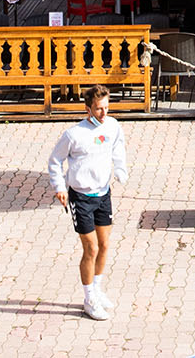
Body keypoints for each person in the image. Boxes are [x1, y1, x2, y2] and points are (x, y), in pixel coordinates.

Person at [48, 85, 129, 321]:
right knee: (91, 248)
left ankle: (97, 288)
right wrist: (60, 187)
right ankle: (88, 299)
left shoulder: (113, 126)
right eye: (98, 109)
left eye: (106, 108)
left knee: (104, 245)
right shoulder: (73, 135)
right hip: (81, 197)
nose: (103, 114)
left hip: (103, 194)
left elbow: (117, 148)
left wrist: (121, 170)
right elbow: (55, 160)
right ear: (88, 110)